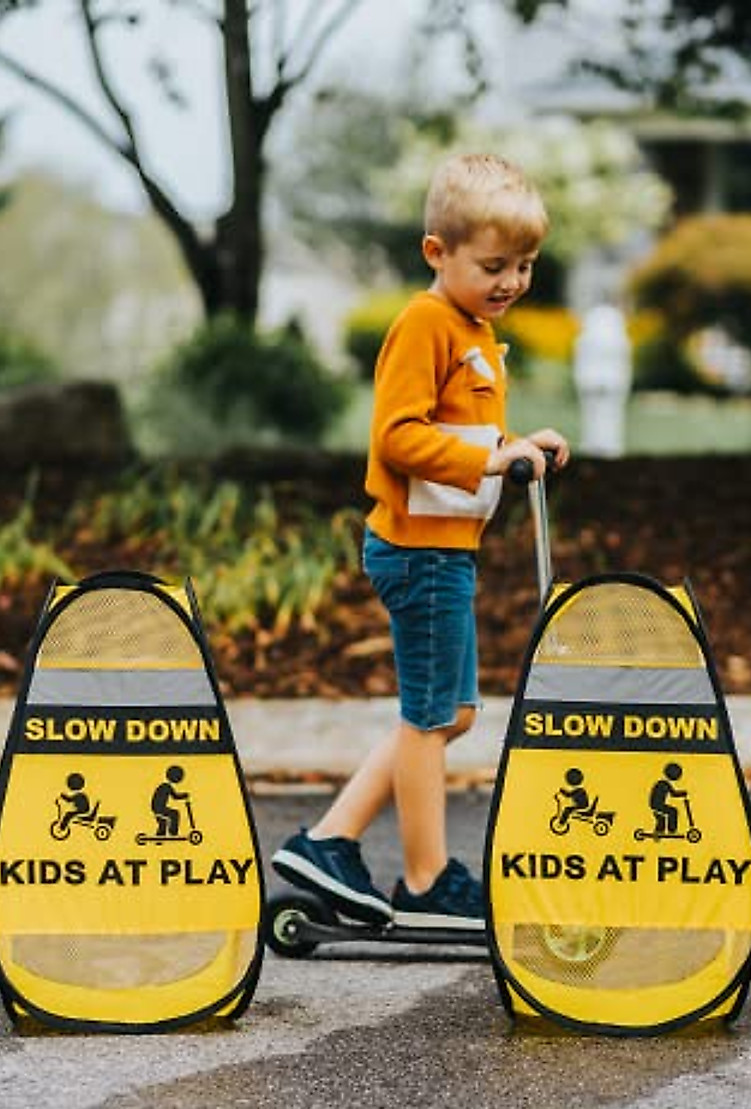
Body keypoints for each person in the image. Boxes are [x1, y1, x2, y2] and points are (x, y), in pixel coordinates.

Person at [272, 152, 569, 931]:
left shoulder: (470, 326)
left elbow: (461, 427)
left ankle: (331, 838)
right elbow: (400, 437)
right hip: (419, 552)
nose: (511, 282)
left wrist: (513, 441)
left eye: (526, 267)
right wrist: (488, 456)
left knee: (447, 714)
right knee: (432, 716)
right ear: (438, 253)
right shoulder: (425, 323)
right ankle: (425, 880)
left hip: (446, 550)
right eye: (495, 265)